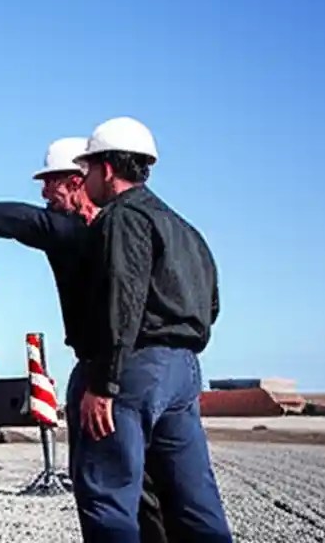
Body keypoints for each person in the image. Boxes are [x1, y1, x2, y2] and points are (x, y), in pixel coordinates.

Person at [0, 136, 175, 543]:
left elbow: (23, 218)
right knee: (140, 483)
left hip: (113, 371)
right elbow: (22, 218)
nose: (43, 192)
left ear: (80, 180)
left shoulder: (96, 229)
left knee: (111, 486)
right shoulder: (106, 226)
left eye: (51, 182)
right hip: (132, 371)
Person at [68, 116, 232, 543]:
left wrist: (104, 383)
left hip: (133, 368)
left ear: (106, 169)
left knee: (109, 495)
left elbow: (121, 300)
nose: (84, 180)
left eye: (86, 171)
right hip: (182, 371)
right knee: (192, 498)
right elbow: (211, 304)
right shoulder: (185, 229)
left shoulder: (122, 219)